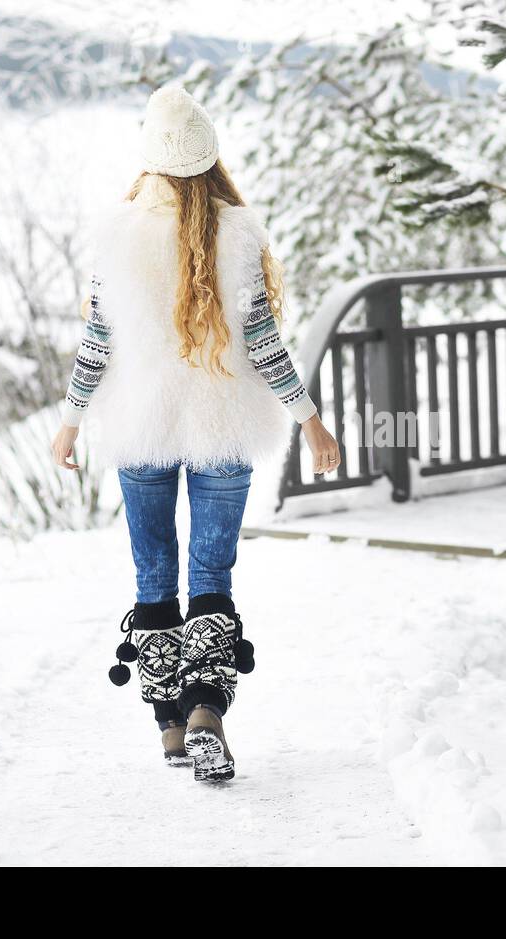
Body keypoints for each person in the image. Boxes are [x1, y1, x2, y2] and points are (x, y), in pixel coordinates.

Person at [50, 84, 340, 782]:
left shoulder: (115, 234)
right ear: (210, 159)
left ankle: (170, 727)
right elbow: (265, 345)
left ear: (148, 160)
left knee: (155, 573)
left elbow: (96, 345)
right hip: (224, 429)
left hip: (140, 431)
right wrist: (311, 420)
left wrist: (69, 424)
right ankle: (209, 707)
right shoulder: (237, 230)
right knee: (211, 574)